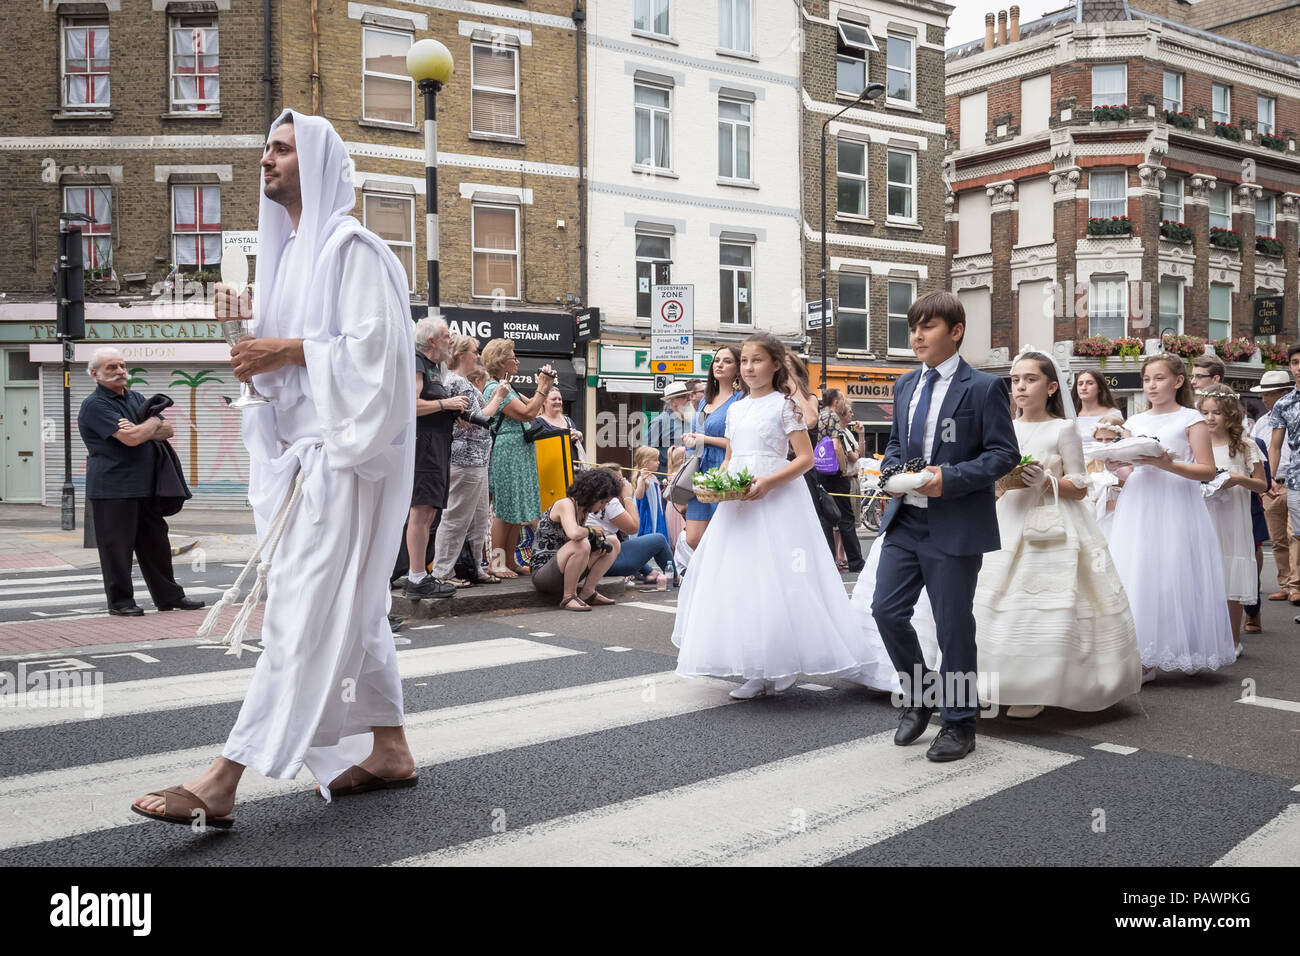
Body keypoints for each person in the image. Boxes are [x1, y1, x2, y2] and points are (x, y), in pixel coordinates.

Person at [132, 110, 418, 828]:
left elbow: (375, 359)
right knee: (352, 607)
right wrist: (249, 344)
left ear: (315, 163)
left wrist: (286, 348)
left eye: (281, 149)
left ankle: (224, 776)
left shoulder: (354, 250)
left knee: (298, 615)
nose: (266, 160)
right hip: (299, 466)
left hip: (341, 466)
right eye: (265, 147)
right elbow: (273, 382)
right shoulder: (286, 259)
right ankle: (389, 747)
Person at [672, 332, 872, 700]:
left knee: (778, 578)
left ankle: (780, 664)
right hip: (739, 501)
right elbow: (732, 456)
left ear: (776, 364)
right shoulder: (735, 408)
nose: (749, 368)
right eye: (744, 361)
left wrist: (767, 483)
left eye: (757, 360)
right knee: (742, 579)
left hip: (778, 499)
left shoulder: (785, 405)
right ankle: (755, 668)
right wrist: (720, 482)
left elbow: (805, 459)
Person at [871, 290, 1020, 763]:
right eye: (913, 326)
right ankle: (919, 694)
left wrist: (948, 479)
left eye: (927, 326)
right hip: (905, 520)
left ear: (955, 332)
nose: (916, 335)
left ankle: (959, 723)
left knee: (953, 626)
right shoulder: (903, 386)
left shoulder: (982, 388)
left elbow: (1003, 454)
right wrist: (894, 471)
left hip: (954, 524)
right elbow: (895, 444)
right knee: (886, 612)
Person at [974, 350, 1141, 719]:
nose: (1020, 386)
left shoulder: (1062, 428)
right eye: (1016, 379)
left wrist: (1047, 480)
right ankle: (992, 681)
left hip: (1052, 523)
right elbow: (991, 477)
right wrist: (997, 483)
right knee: (992, 601)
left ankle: (1036, 686)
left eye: (1030, 379)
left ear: (1050, 387)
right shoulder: (1003, 427)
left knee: (1042, 604)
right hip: (1005, 518)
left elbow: (1081, 485)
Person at [1108, 354, 1235, 679]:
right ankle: (1139, 651)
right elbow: (1131, 470)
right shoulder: (1134, 422)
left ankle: (1174, 648)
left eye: (1159, 378)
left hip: (1177, 502)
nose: (1151, 385)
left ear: (1178, 382)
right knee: (1137, 570)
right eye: (1147, 379)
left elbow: (1207, 469)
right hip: (1139, 502)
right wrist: (1116, 467)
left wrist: (1168, 465)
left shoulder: (1191, 419)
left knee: (1171, 573)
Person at [78, 347, 202, 617]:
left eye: (122, 365)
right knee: (117, 549)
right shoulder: (95, 405)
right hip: (113, 488)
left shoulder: (136, 397)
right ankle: (121, 603)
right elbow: (132, 438)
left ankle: (169, 597)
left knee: (156, 545)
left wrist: (146, 427)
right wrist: (153, 421)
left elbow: (167, 430)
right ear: (94, 374)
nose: (120, 371)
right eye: (111, 367)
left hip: (146, 485)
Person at [428, 334, 506, 588]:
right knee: (457, 516)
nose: (478, 355)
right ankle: (443, 571)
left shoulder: (463, 383)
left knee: (478, 517)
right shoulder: (457, 383)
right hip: (465, 459)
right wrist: (498, 397)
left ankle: (474, 567)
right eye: (475, 351)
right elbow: (477, 421)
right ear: (461, 355)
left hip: (478, 460)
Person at [1198, 385, 1268, 654]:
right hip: (1204, 515)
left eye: (1217, 412)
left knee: (1231, 581)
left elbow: (1262, 485)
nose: (1210, 418)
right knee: (1204, 578)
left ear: (1230, 414)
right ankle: (1205, 639)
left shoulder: (1244, 446)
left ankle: (1232, 640)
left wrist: (1237, 479)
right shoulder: (1197, 445)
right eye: (1205, 412)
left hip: (1233, 520)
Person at [403, 317, 467, 600]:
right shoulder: (418, 362)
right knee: (420, 510)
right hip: (423, 447)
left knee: (429, 511)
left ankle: (419, 573)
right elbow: (411, 406)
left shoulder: (433, 367)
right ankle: (416, 577)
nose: (451, 339)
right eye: (446, 335)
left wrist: (451, 413)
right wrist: (446, 404)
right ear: (431, 341)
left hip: (437, 446)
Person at [482, 338, 556, 578]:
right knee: (504, 508)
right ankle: (496, 562)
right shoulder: (495, 388)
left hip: (519, 449)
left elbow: (536, 409)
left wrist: (542, 388)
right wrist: (542, 387)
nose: (518, 361)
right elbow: (528, 413)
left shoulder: (507, 387)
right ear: (501, 361)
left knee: (514, 508)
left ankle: (510, 560)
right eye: (514, 357)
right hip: (508, 449)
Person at [530, 469, 623, 611]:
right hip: (544, 574)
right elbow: (573, 533)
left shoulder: (583, 511)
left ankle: (588, 592)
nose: (602, 508)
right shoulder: (566, 504)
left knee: (613, 542)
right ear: (593, 494)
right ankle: (569, 596)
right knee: (581, 544)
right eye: (602, 502)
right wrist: (591, 531)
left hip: (565, 569)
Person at [682, 345, 746, 550]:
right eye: (717, 360)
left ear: (738, 369)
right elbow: (698, 434)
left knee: (724, 535)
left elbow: (739, 441)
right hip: (699, 471)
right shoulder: (704, 401)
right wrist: (691, 441)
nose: (719, 365)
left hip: (723, 468)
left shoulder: (741, 399)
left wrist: (704, 439)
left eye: (727, 361)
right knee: (693, 538)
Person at [1251, 370, 1299, 603]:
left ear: (1282, 394)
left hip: (1293, 482)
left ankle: (1295, 586)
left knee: (1295, 536)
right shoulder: (1261, 422)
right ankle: (1285, 583)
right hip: (1271, 484)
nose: (1263, 399)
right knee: (1279, 539)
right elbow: (1254, 454)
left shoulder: (1293, 414)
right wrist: (1265, 480)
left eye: (1268, 394)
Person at [590, 463, 674, 586]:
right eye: (621, 480)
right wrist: (627, 497)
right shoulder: (610, 502)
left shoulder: (597, 497)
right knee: (659, 539)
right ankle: (675, 578)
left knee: (627, 545)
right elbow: (633, 528)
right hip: (605, 561)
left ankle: (650, 572)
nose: (625, 482)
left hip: (598, 556)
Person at [1265, 347, 1300, 617]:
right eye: (1295, 362)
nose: (1299, 367)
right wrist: (1269, 478)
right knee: (1296, 536)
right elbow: (1275, 446)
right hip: (1296, 480)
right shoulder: (1284, 404)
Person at [816, 388, 865, 573]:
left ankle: (829, 559)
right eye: (842, 400)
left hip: (821, 471)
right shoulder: (834, 417)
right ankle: (855, 561)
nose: (844, 403)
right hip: (836, 474)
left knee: (827, 518)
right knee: (846, 519)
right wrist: (843, 469)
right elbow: (837, 446)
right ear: (836, 401)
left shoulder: (820, 415)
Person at [1071, 368, 1123, 456]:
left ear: (1099, 388)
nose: (1084, 387)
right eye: (1080, 384)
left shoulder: (1113, 414)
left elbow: (1121, 445)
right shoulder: (1071, 415)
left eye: (1089, 383)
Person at [646, 381, 691, 474]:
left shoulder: (689, 420)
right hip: (665, 478)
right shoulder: (660, 421)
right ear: (673, 400)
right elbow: (647, 451)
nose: (688, 399)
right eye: (684, 397)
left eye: (688, 396)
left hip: (685, 475)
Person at [632, 444, 670, 543]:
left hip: (658, 510)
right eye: (655, 460)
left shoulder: (653, 477)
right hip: (650, 513)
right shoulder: (644, 478)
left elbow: (656, 495)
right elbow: (638, 495)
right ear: (645, 463)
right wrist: (641, 480)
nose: (658, 463)